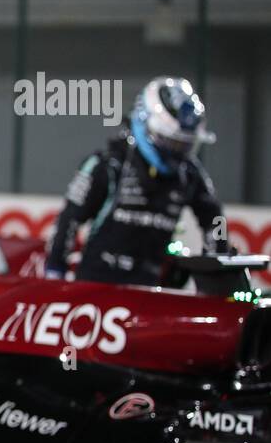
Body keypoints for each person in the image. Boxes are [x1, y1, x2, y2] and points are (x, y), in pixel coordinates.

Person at [46, 76, 222, 286]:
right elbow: (68, 220)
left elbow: (215, 219)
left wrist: (216, 265)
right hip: (96, 291)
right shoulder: (109, 165)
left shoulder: (189, 173)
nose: (177, 152)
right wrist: (55, 273)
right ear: (146, 124)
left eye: (184, 145)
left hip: (150, 293)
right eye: (172, 142)